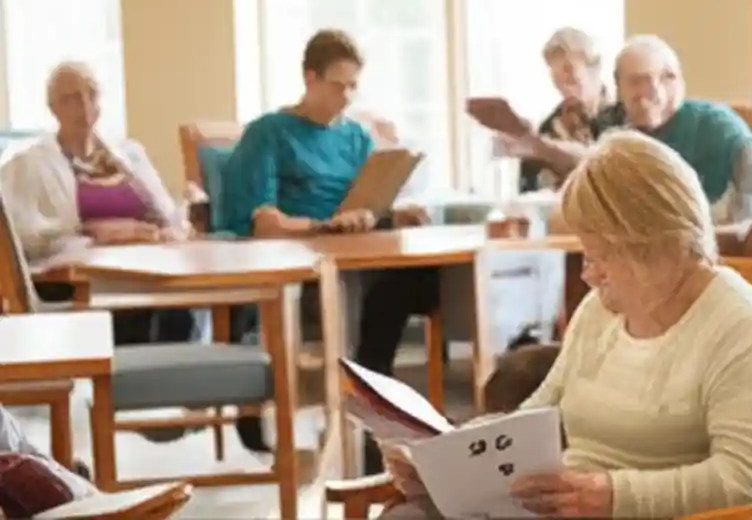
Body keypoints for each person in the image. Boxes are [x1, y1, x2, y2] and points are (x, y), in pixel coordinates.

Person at [379, 130, 752, 519]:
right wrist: (443, 458)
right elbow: (535, 413)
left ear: (650, 245)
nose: (588, 275)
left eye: (599, 256)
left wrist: (612, 496)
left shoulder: (741, 325)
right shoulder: (600, 310)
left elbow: (742, 479)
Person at [216, 29, 436, 466]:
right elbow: (264, 222)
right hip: (300, 260)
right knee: (358, 286)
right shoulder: (269, 133)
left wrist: (389, 213)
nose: (347, 96)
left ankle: (374, 385)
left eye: (354, 85)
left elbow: (365, 202)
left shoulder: (355, 137)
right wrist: (326, 225)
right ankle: (365, 405)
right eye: (338, 85)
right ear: (310, 78)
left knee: (422, 275)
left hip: (359, 253)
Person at [511, 35, 752, 259]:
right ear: (619, 87)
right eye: (638, 80)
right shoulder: (620, 138)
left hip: (712, 266)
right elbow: (565, 215)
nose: (653, 90)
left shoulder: (712, 124)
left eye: (667, 77)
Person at [0, 62, 195, 344]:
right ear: (53, 108)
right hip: (82, 278)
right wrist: (96, 235)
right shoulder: (31, 164)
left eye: (91, 94)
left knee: (180, 311)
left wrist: (152, 231)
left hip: (149, 264)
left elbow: (167, 216)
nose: (84, 105)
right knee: (134, 313)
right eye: (71, 98)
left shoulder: (129, 156)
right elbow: (25, 239)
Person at [513, 27, 622, 193]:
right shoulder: (550, 127)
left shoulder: (624, 118)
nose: (562, 78)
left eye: (568, 68)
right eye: (554, 72)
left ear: (595, 67)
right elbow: (530, 189)